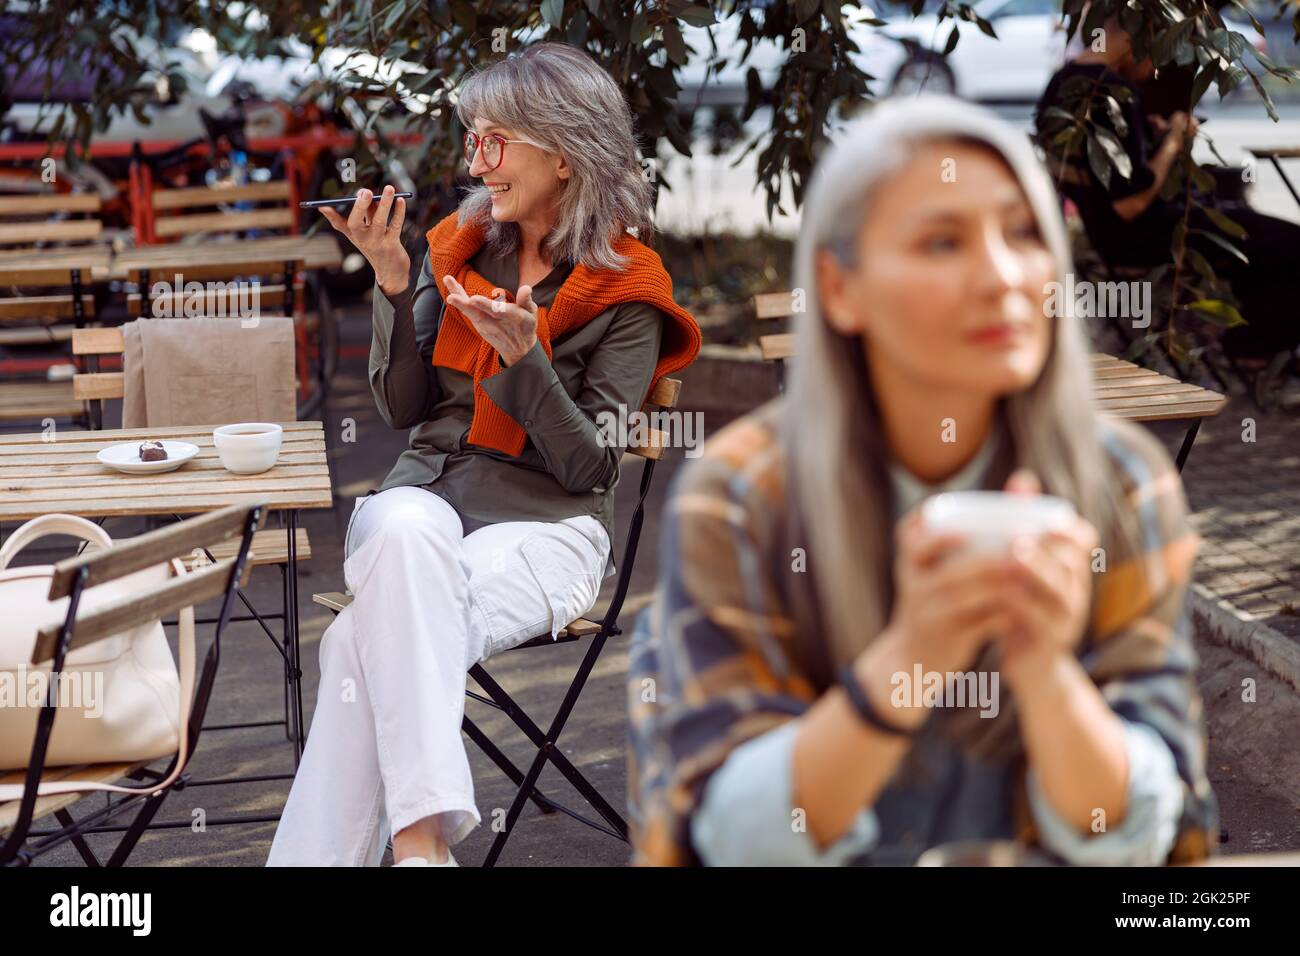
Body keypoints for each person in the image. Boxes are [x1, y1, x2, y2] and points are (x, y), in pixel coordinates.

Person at [627, 95, 1218, 866]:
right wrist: (914, 655)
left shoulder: (1120, 480)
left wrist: (1044, 670)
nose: (1004, 276)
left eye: (1022, 232)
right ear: (839, 287)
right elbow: (730, 841)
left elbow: (1151, 843)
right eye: (943, 241)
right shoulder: (745, 492)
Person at [268, 42, 700, 867]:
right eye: (474, 138)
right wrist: (396, 283)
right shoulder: (460, 249)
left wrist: (524, 363)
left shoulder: (630, 288)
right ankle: (422, 843)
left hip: (548, 530)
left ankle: (387, 849)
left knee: (361, 642)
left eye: (495, 140)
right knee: (403, 533)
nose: (477, 161)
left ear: (564, 154)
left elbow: (590, 469)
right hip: (422, 504)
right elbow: (403, 410)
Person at [1036, 16, 1300, 359]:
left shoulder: (1061, 83)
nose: (1158, 68)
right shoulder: (1118, 94)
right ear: (1140, 41)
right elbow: (1129, 203)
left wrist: (1149, 136)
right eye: (1159, 53)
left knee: (1263, 240)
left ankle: (1249, 347)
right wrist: (1173, 141)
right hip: (1148, 235)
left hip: (1109, 234)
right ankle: (1250, 351)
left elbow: (1107, 166)